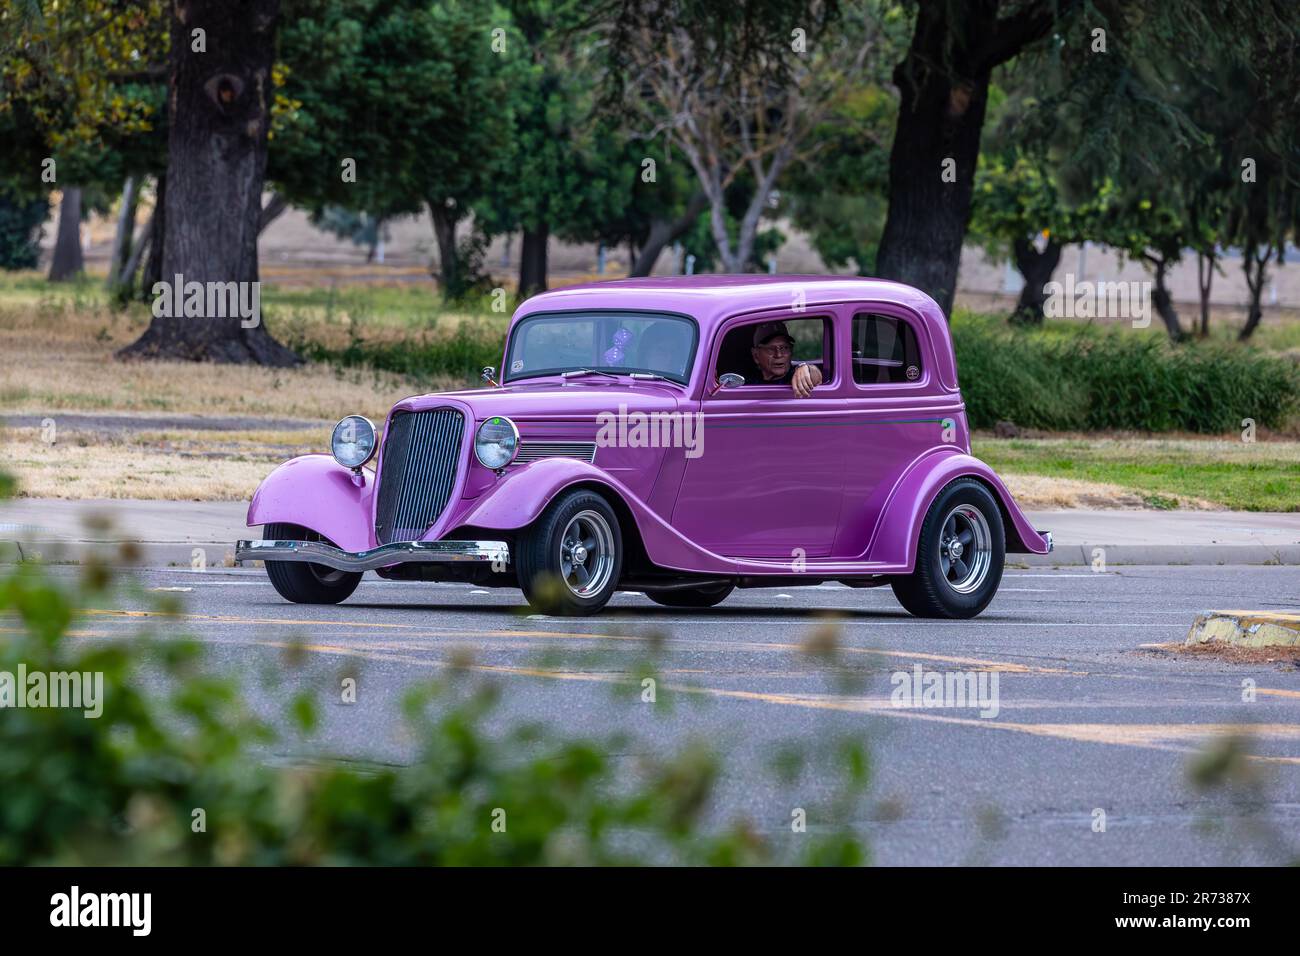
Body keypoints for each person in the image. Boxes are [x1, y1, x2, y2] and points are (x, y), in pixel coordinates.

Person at [746, 321, 823, 397]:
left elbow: (814, 375)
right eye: (771, 349)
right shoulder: (749, 382)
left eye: (784, 348)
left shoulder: (795, 375)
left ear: (791, 351)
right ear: (756, 355)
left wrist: (807, 368)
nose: (778, 355)